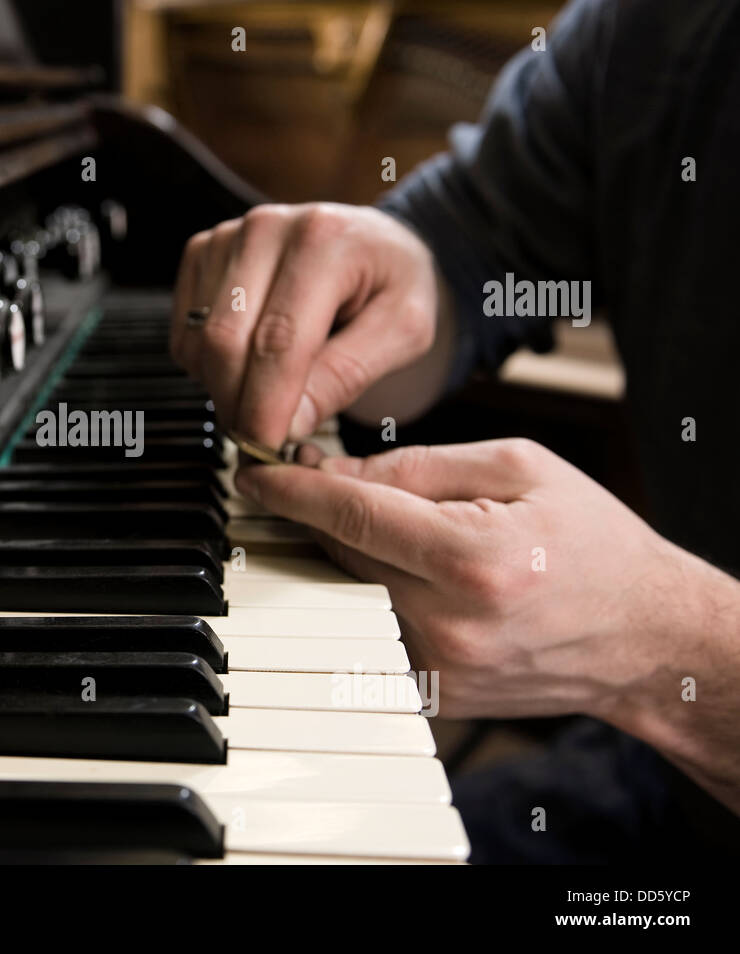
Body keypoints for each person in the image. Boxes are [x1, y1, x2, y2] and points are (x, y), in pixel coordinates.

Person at [170, 0, 740, 862]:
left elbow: (675, 660)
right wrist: (383, 267)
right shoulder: (653, 28)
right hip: (655, 776)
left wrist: (669, 649)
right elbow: (465, 251)